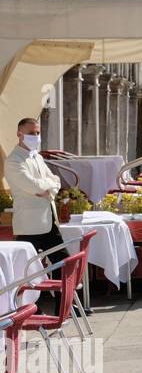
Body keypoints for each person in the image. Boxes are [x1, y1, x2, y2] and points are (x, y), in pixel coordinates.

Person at [5, 118, 67, 291]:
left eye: (38, 133)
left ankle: (66, 307)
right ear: (19, 134)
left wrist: (47, 188)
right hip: (28, 226)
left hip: (49, 221)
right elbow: (32, 186)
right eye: (31, 133)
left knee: (64, 264)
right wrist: (45, 186)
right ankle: (33, 310)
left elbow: (56, 181)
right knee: (25, 273)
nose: (36, 137)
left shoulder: (38, 157)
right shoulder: (13, 161)